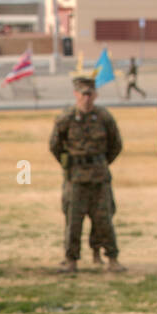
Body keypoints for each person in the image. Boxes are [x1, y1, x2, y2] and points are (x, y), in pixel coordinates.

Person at [49, 75, 124, 274]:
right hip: (76, 179)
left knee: (104, 220)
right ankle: (71, 259)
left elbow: (116, 145)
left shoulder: (104, 117)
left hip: (99, 178)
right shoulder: (66, 119)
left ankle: (112, 258)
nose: (86, 98)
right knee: (73, 221)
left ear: (96, 95)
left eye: (90, 94)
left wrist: (101, 163)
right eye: (83, 94)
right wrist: (69, 165)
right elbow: (55, 145)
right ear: (76, 94)